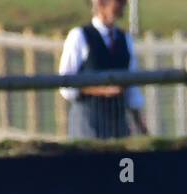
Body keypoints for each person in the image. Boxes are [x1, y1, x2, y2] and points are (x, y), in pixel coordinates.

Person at [58, 0, 148, 140]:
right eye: (119, 1)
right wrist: (101, 90)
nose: (124, 4)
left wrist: (141, 127)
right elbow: (67, 87)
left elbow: (132, 89)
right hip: (87, 124)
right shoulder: (79, 36)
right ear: (101, 3)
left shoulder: (125, 39)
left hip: (118, 126)